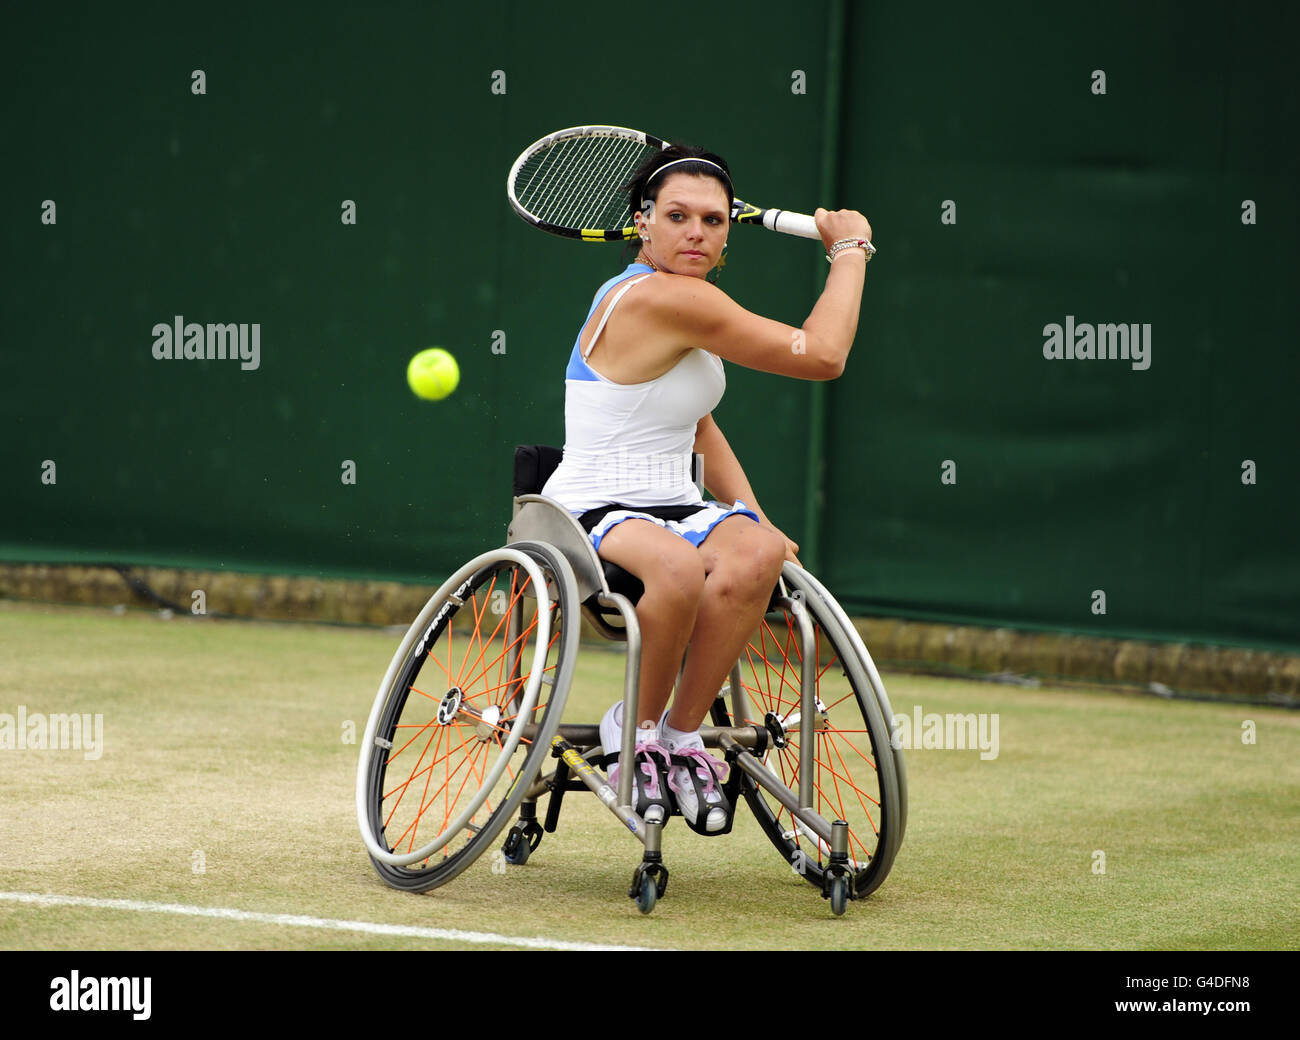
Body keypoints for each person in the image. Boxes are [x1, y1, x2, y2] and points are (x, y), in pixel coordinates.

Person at [540, 144, 872, 834]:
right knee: (678, 565)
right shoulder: (663, 297)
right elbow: (825, 354)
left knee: (756, 555)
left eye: (713, 221)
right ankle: (632, 726)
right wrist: (850, 251)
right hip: (592, 503)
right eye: (679, 216)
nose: (697, 232)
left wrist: (752, 515)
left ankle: (681, 737)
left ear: (727, 233)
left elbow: (697, 427)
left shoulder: (689, 301)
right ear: (643, 224)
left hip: (677, 504)